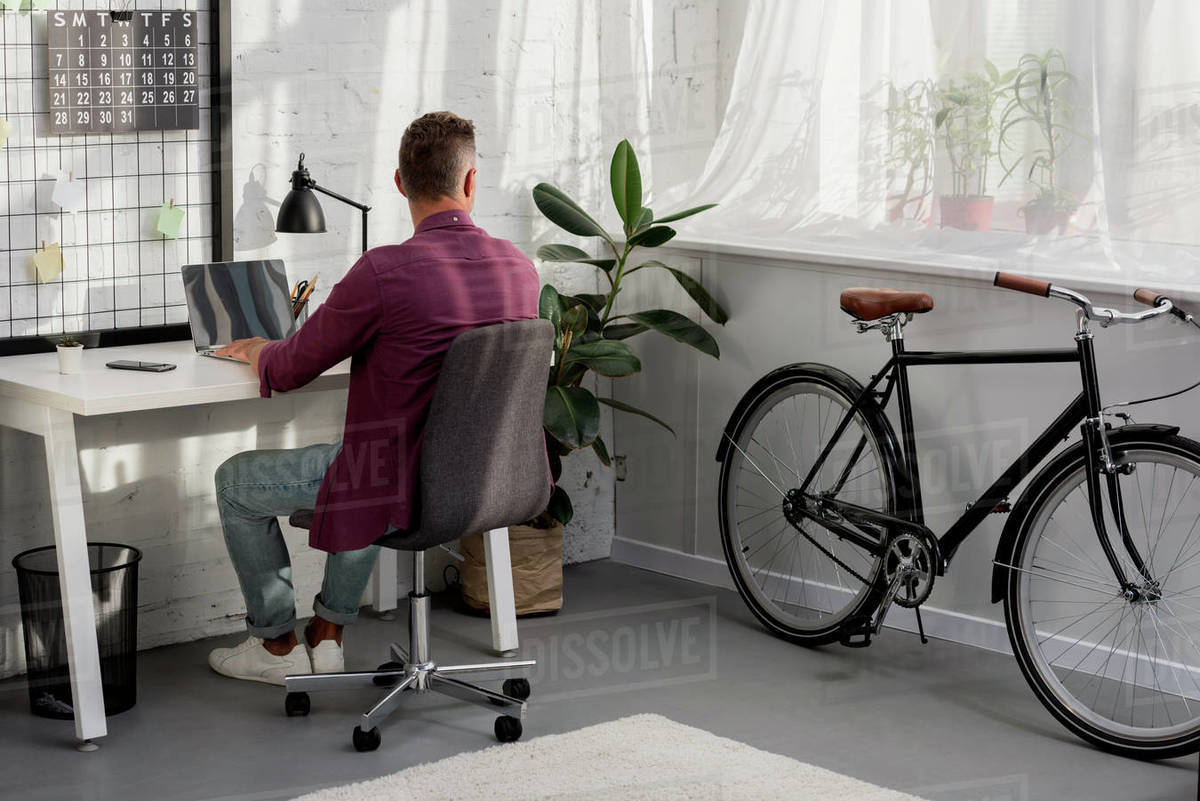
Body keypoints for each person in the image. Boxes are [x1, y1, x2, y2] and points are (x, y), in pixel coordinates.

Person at [207, 111, 540, 685]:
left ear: (398, 184)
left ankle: (277, 645)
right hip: (492, 481)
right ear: (470, 183)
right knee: (365, 457)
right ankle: (328, 631)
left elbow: (289, 369)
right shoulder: (519, 268)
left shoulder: (385, 272)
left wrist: (258, 349)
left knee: (241, 481)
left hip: (395, 485)